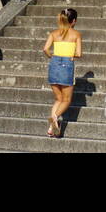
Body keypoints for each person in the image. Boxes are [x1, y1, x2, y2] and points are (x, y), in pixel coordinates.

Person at [42, 8, 81, 138]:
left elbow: (45, 49)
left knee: (58, 99)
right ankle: (54, 119)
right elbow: (79, 54)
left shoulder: (54, 33)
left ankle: (51, 129)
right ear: (74, 21)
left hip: (54, 63)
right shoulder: (76, 34)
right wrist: (72, 56)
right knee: (66, 100)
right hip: (67, 65)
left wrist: (52, 56)